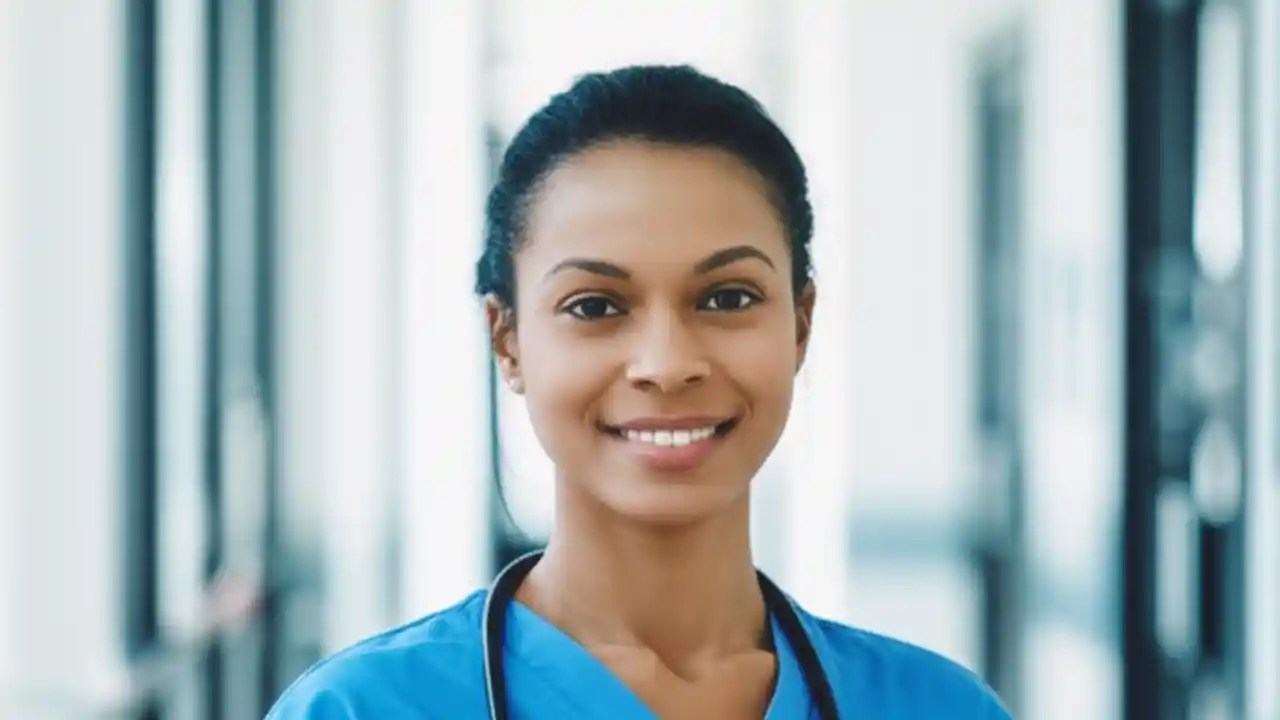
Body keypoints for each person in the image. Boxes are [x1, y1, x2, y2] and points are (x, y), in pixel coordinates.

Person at [267, 64, 1011, 719]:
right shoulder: (358, 710)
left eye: (726, 298)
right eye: (595, 306)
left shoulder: (941, 707)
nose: (666, 363)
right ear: (508, 340)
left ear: (801, 323)